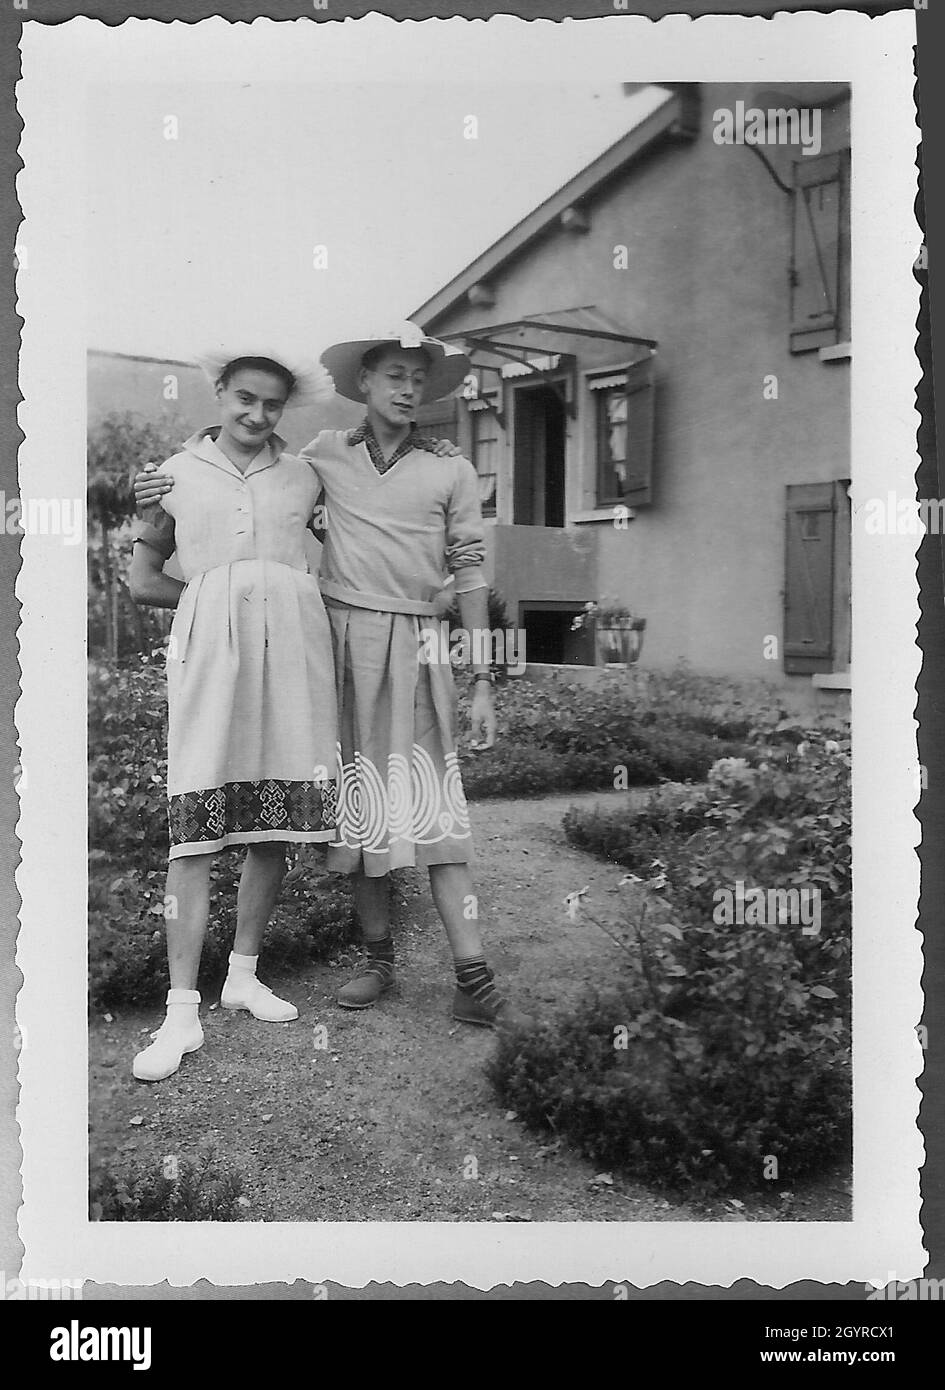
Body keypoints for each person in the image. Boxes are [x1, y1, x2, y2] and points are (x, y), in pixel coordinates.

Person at [135, 323, 524, 1030]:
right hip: (332, 646)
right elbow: (232, 454)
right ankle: (378, 959)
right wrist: (166, 477)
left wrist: (485, 675)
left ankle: (472, 973)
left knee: (434, 804)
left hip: (416, 644)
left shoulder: (449, 467)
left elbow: (470, 569)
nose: (409, 389)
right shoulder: (325, 454)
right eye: (395, 376)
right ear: (365, 385)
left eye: (420, 379)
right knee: (356, 808)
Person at [127, 348, 338, 1082]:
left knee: (273, 816)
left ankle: (242, 975)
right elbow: (141, 578)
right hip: (211, 657)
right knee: (195, 827)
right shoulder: (171, 474)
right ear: (219, 393)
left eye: (272, 404)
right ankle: (180, 1009)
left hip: (293, 659)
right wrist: (209, 599)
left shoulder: (309, 475)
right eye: (244, 398)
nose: (256, 414)